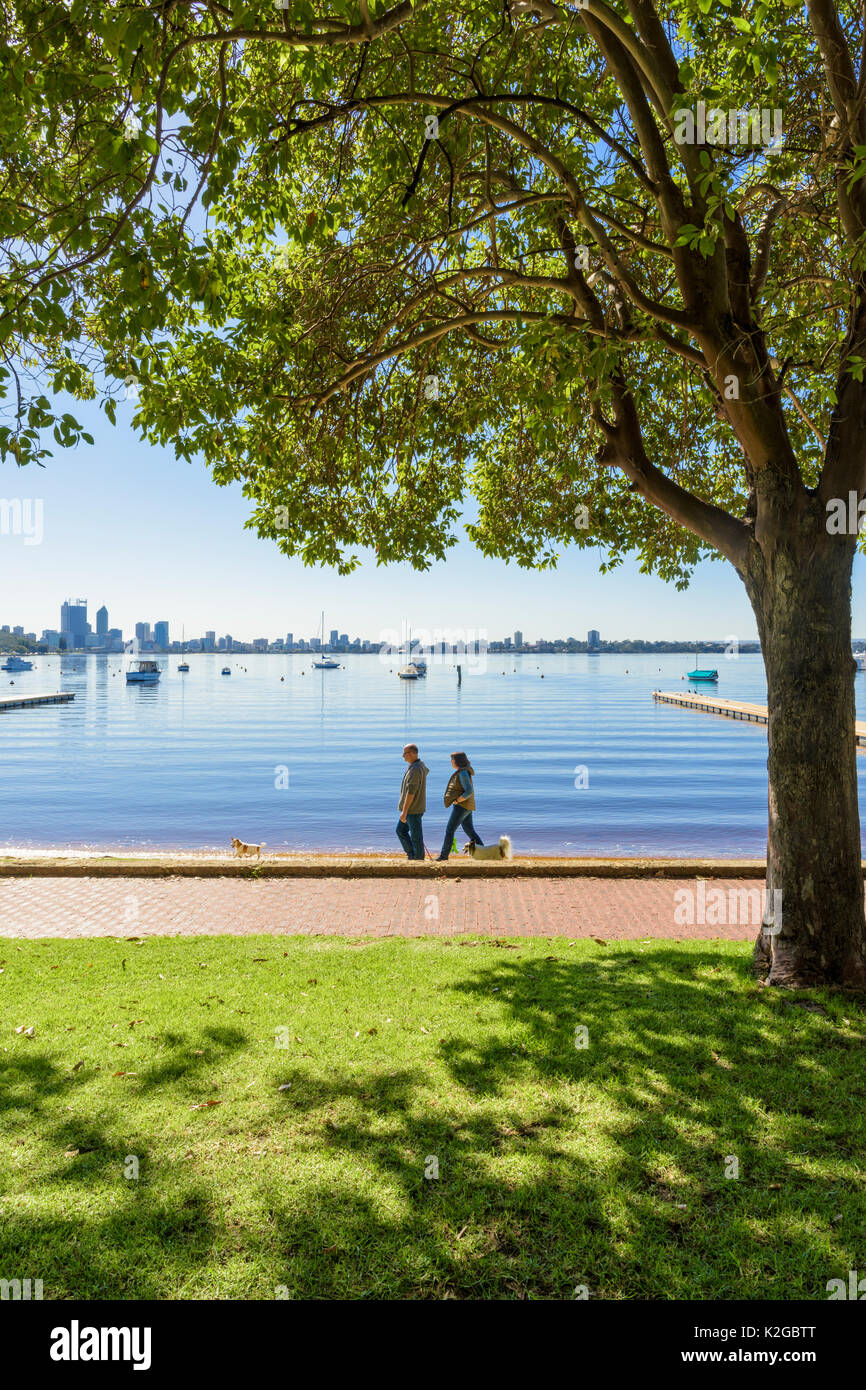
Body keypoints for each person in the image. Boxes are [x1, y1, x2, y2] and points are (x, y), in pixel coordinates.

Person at [436, 751, 484, 860]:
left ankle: (443, 856)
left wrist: (457, 800)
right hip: (467, 806)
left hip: (462, 806)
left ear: (457, 761)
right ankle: (482, 852)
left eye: (452, 759)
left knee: (450, 830)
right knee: (469, 830)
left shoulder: (462, 773)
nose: (451, 762)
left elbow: (468, 791)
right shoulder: (463, 771)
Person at [396, 743, 428, 860]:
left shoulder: (415, 769)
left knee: (416, 837)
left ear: (413, 753)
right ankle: (412, 855)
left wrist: (404, 812)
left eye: (405, 753)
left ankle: (418, 860)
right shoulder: (419, 765)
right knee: (401, 831)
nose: (403, 756)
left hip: (413, 809)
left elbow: (411, 793)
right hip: (414, 808)